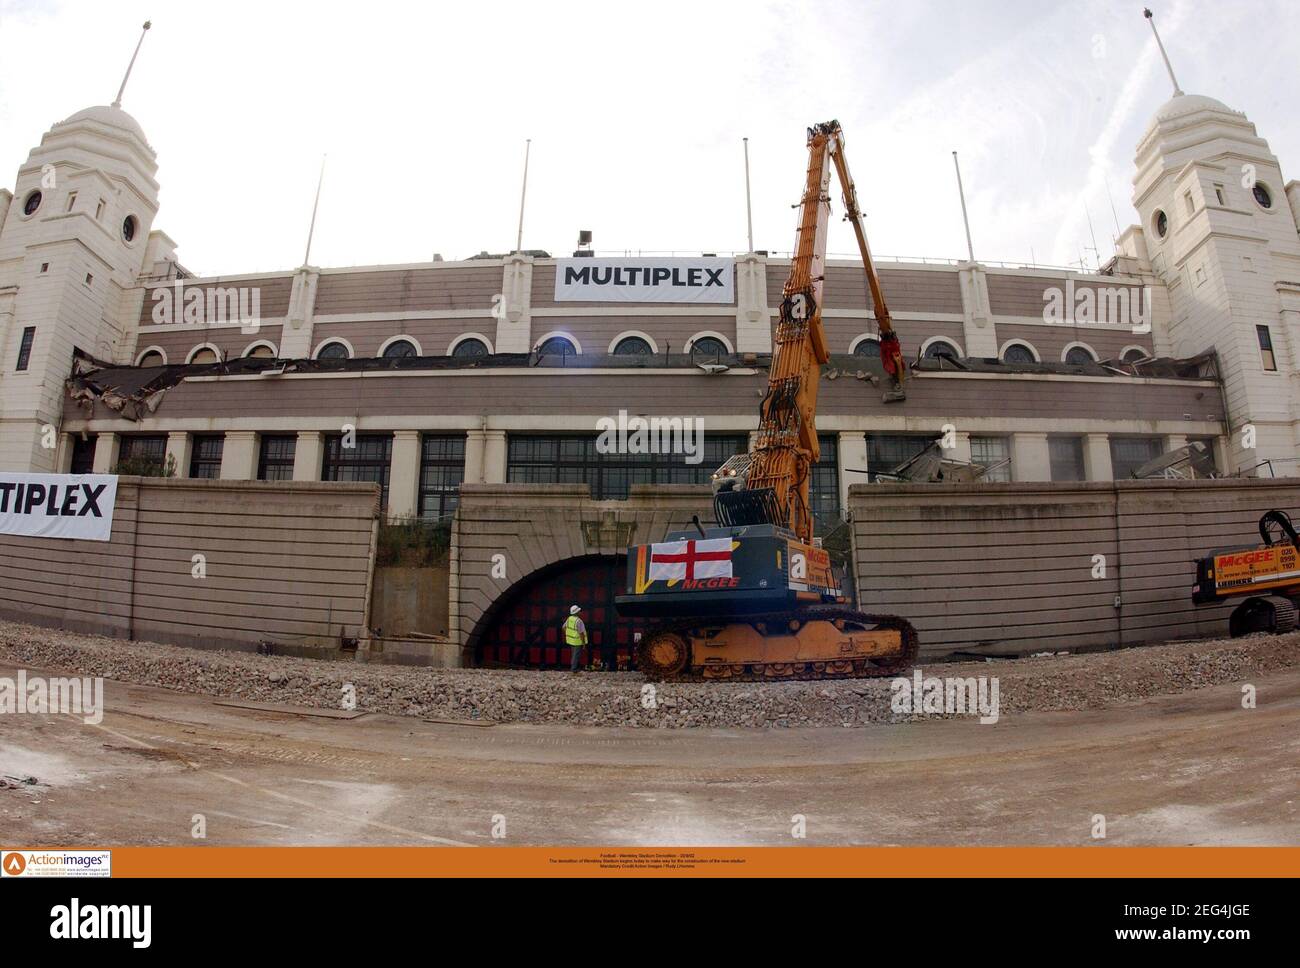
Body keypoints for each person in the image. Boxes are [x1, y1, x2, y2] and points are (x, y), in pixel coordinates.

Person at [564, 604, 589, 673]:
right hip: (577, 641)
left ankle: (574, 667)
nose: (580, 612)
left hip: (571, 640)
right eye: (579, 611)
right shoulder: (579, 621)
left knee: (574, 654)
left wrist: (568, 634)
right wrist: (583, 643)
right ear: (577, 612)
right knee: (576, 655)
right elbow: (581, 633)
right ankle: (574, 669)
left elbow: (564, 627)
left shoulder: (569, 619)